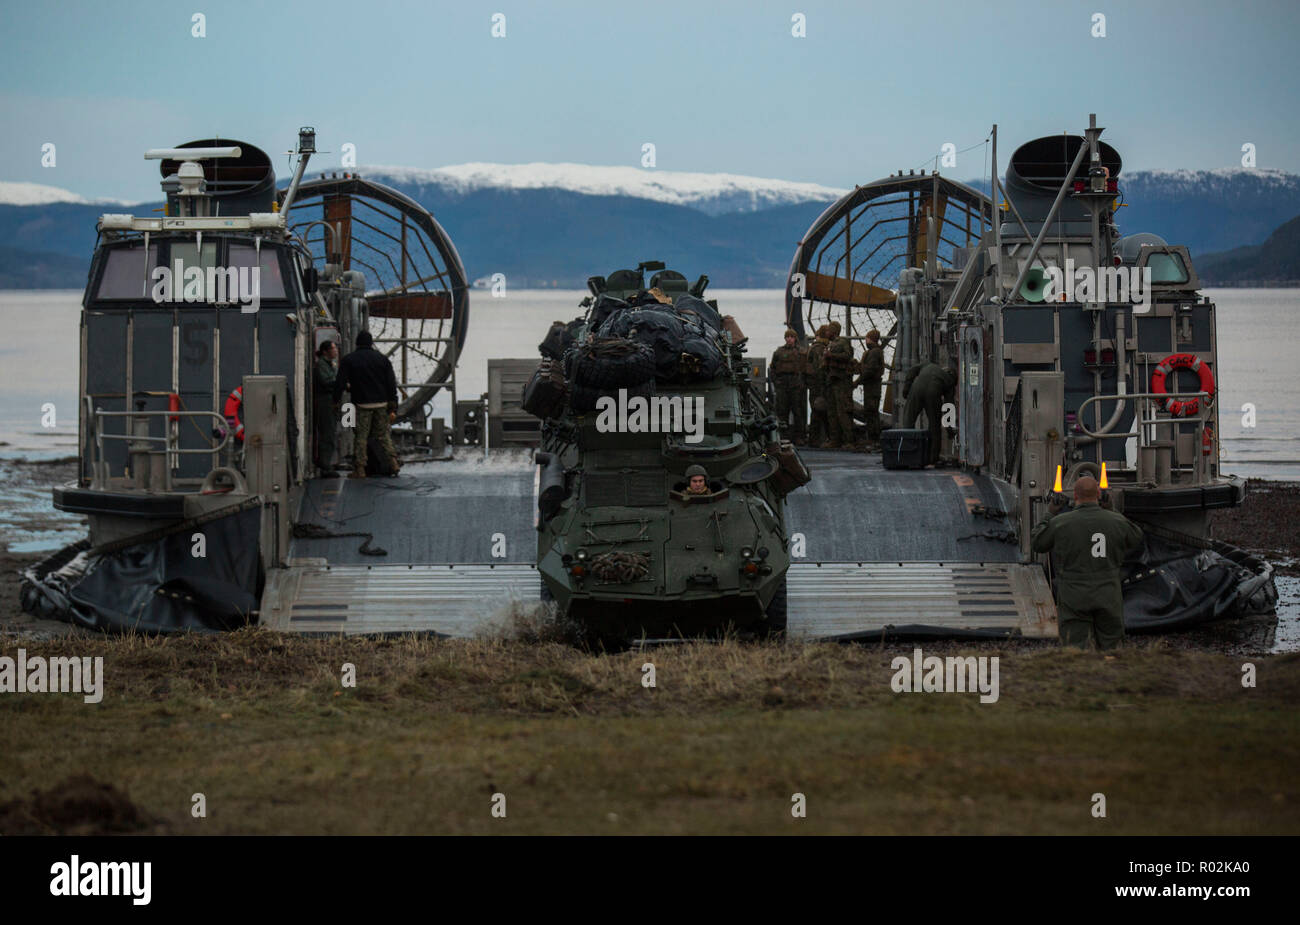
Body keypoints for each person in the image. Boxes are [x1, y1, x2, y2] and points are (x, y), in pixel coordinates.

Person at [1030, 475, 1145, 650]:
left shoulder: (1060, 523)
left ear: (1075, 496)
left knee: (1075, 647)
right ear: (1099, 494)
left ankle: (1080, 674)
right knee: (1112, 645)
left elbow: (1038, 543)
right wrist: (1112, 510)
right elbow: (1136, 537)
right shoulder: (1115, 521)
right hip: (1108, 593)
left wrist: (1049, 513)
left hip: (1073, 593)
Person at [334, 330, 401, 479]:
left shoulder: (348, 360)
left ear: (357, 343)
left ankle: (360, 469)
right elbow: (391, 384)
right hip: (381, 404)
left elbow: (340, 383)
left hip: (362, 404)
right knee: (383, 435)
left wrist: (335, 401)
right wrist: (393, 404)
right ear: (371, 343)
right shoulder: (382, 359)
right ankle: (394, 462)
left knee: (361, 437)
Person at [901, 362, 957, 465]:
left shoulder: (928, 365)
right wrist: (950, 430)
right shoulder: (950, 382)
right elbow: (948, 407)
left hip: (916, 388)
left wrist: (906, 388)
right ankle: (933, 458)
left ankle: (905, 453)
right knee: (934, 426)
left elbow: (912, 371)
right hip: (933, 393)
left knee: (908, 421)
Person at [821, 321, 858, 449]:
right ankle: (835, 439)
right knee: (832, 412)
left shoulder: (842, 342)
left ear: (834, 331)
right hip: (832, 380)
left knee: (843, 411)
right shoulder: (831, 344)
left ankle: (849, 440)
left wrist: (832, 355)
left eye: (828, 330)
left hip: (842, 381)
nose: (826, 333)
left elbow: (848, 355)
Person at [770, 329, 808, 445]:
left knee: (798, 410)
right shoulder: (779, 352)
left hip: (796, 385)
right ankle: (783, 435)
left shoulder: (801, 352)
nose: (789, 339)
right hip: (782, 384)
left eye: (792, 337)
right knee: (782, 411)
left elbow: (806, 369)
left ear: (795, 338)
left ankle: (799, 436)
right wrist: (777, 383)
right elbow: (773, 369)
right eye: (787, 337)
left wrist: (802, 383)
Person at [853, 329, 885, 448]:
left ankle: (874, 439)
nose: (865, 340)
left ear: (871, 339)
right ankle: (873, 438)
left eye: (867, 338)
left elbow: (869, 371)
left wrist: (857, 382)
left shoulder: (874, 352)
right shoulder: (876, 352)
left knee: (871, 412)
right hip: (872, 387)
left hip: (872, 387)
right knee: (871, 412)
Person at [312, 339, 340, 475]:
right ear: (325, 352)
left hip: (329, 401)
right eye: (333, 348)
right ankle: (325, 465)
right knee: (327, 432)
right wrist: (340, 382)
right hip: (325, 401)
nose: (336, 351)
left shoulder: (329, 364)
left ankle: (325, 462)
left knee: (330, 431)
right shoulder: (322, 365)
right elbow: (327, 381)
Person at [806, 325, 831, 446]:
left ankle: (814, 438)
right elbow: (820, 368)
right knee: (820, 411)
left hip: (813, 384)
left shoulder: (814, 348)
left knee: (816, 411)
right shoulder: (820, 349)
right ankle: (819, 439)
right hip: (819, 385)